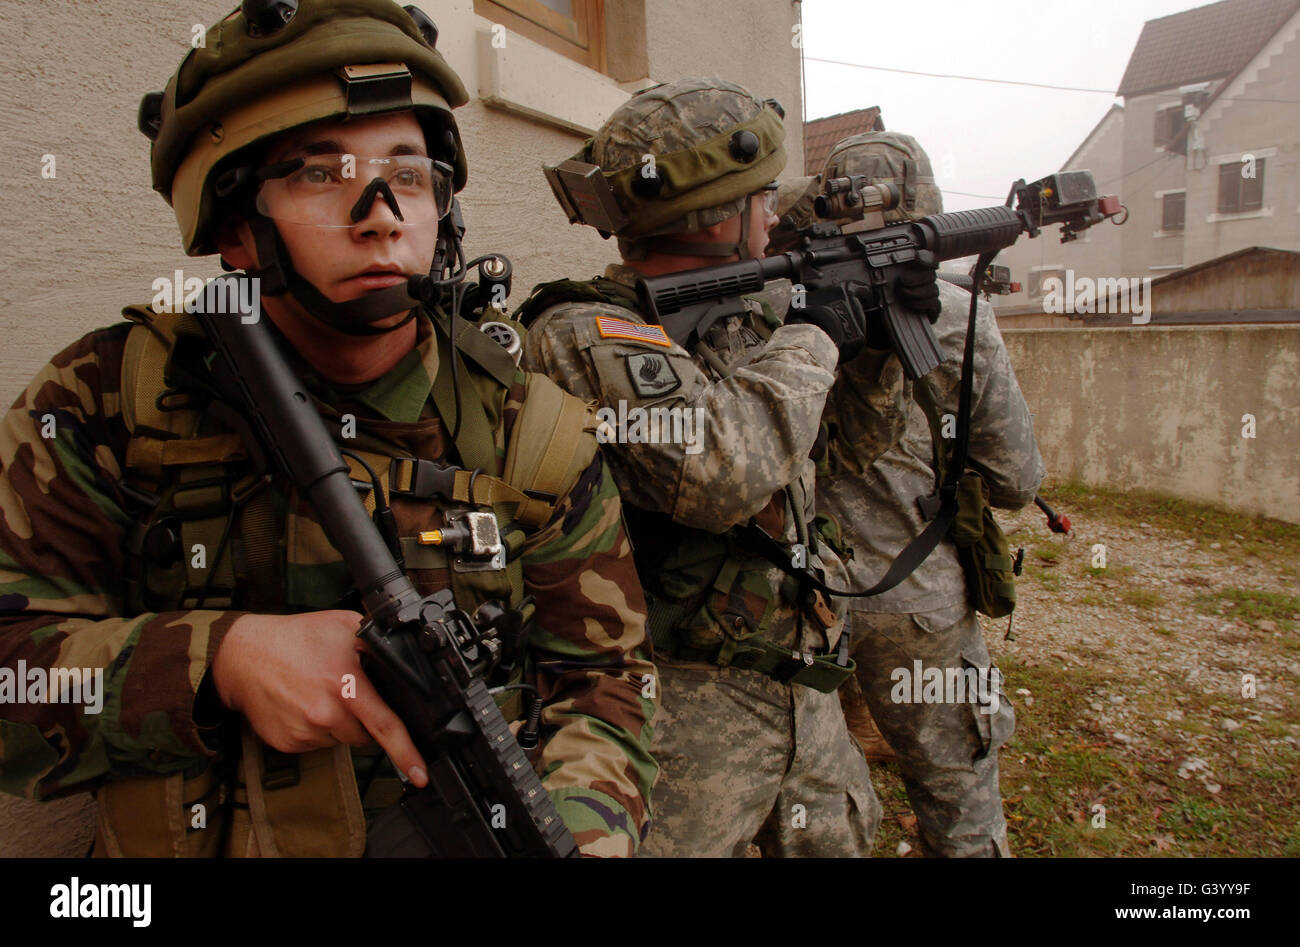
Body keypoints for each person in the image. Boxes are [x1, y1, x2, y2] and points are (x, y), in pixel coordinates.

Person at [0, 0, 656, 858]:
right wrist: (217, 662)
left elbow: (606, 680)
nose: (380, 211)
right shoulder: (108, 400)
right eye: (320, 173)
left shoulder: (530, 430)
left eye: (408, 175)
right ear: (236, 227)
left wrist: (578, 832)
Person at [515, 78, 943, 857]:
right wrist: (816, 331)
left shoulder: (755, 311)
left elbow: (849, 452)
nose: (774, 216)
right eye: (762, 196)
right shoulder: (580, 331)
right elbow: (719, 472)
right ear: (717, 211)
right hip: (678, 710)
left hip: (801, 690)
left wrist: (877, 343)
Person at [803, 131, 1045, 856]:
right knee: (956, 793)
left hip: (807, 594)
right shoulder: (956, 311)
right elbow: (1015, 479)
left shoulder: (789, 298)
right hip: (917, 606)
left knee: (819, 808)